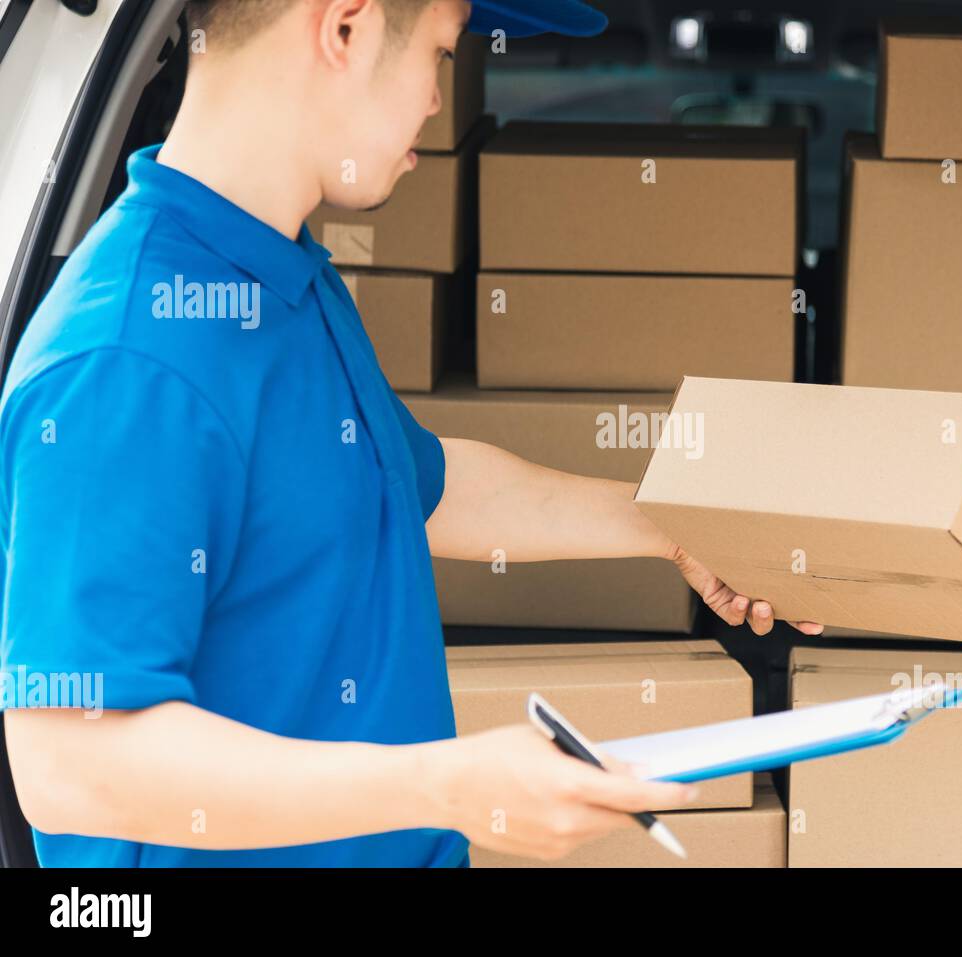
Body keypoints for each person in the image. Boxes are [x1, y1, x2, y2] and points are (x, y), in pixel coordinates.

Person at [0, 0, 820, 867]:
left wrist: (674, 528)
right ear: (344, 28)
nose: (440, 97)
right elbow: (71, 763)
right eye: (441, 48)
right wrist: (442, 786)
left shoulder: (283, 275)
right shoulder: (127, 358)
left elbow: (413, 487)